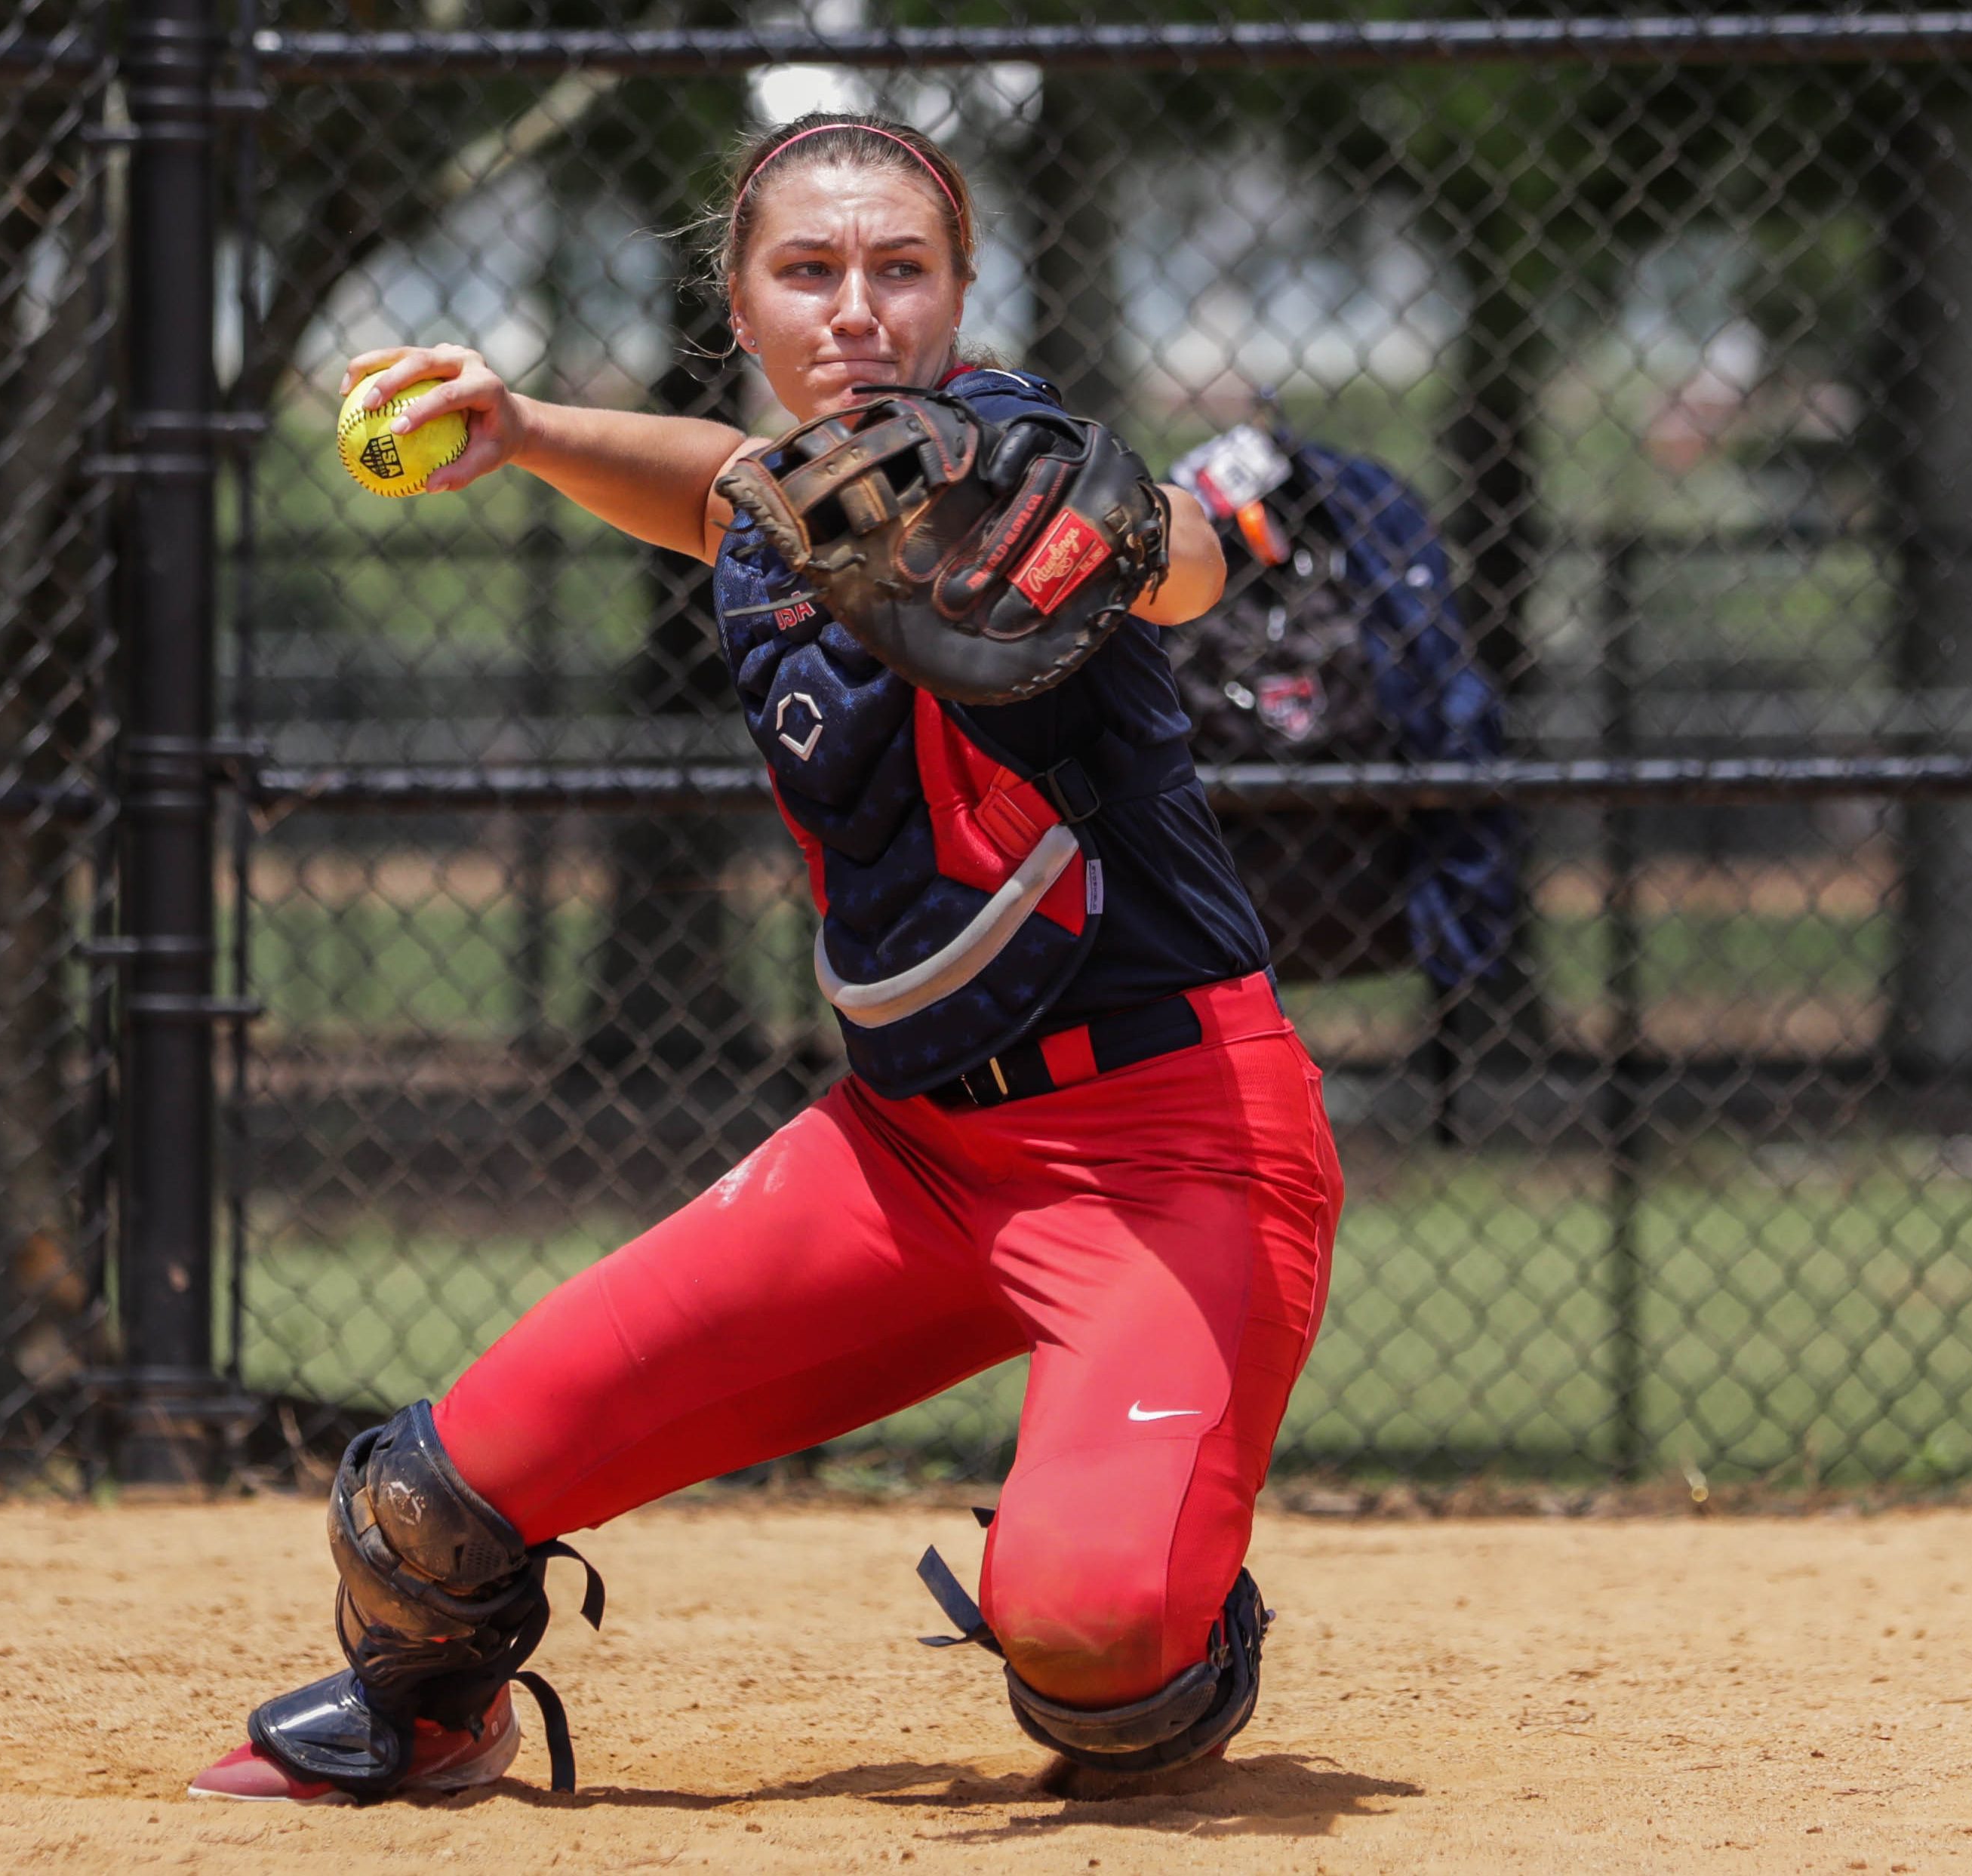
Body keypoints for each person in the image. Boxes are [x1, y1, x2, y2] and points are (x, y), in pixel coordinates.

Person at [188, 111, 1346, 1807]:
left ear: (961, 294)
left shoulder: (1006, 450)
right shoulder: (782, 500)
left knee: (1095, 1648)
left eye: (901, 269)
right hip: (910, 1158)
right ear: (742, 303)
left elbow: (1160, 561)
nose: (857, 307)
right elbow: (718, 481)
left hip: (1175, 1152)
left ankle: (1154, 1584)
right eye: (809, 271)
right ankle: (433, 1715)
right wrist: (517, 429)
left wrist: (1156, 543)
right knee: (418, 1509)